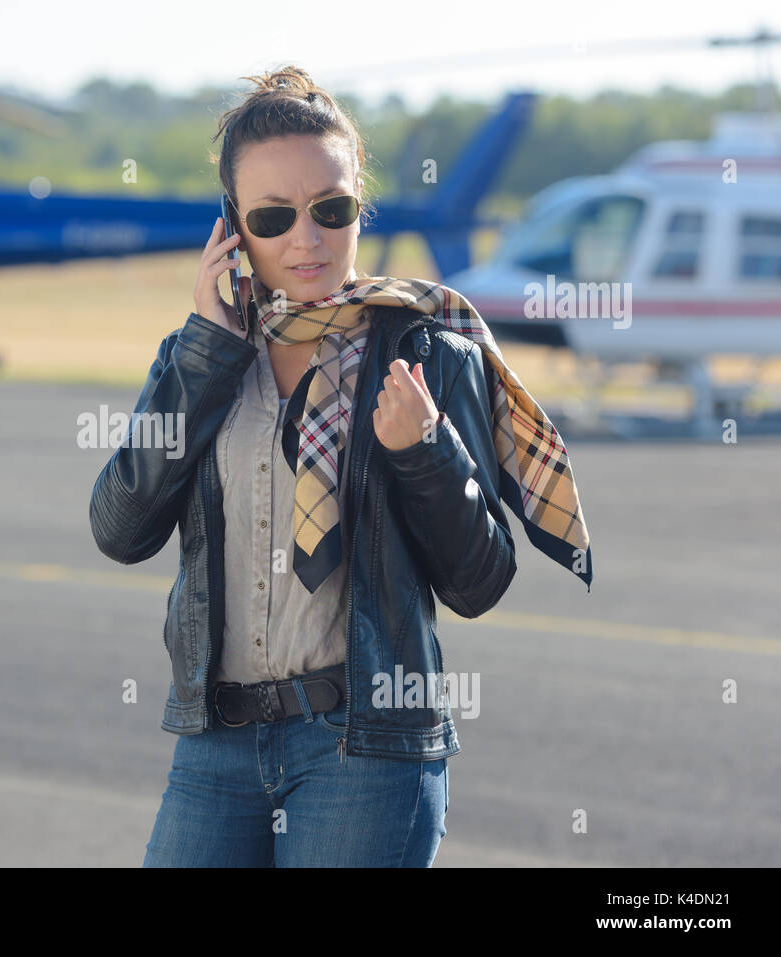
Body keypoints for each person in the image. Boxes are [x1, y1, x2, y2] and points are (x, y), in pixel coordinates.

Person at [88, 66, 593, 867]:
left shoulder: (430, 350)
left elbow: (480, 582)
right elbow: (119, 527)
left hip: (364, 747)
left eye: (332, 209)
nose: (307, 237)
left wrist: (425, 453)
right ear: (233, 227)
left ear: (360, 206)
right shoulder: (202, 353)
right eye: (273, 215)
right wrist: (206, 356)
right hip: (215, 744)